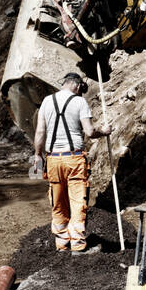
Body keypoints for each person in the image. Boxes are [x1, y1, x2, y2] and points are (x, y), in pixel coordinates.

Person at [32, 72, 111, 253]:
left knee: (57, 201)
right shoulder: (79, 102)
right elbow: (90, 132)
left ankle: (62, 243)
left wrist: (37, 155)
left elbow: (40, 132)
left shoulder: (47, 101)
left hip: (52, 159)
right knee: (77, 201)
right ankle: (77, 244)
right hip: (74, 159)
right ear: (76, 85)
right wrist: (104, 131)